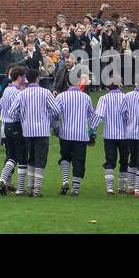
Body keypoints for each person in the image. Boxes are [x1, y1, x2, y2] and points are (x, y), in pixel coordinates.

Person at [12, 68, 59, 197]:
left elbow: (12, 112)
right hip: (42, 130)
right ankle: (37, 189)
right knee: (40, 159)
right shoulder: (46, 93)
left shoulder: (22, 93)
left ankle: (30, 186)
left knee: (31, 158)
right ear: (37, 78)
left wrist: (23, 117)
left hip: (27, 130)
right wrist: (48, 117)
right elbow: (56, 110)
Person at [55, 67, 101, 196]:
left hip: (65, 133)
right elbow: (93, 116)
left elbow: (54, 113)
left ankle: (65, 180)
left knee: (65, 157)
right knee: (79, 160)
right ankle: (75, 188)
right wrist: (93, 131)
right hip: (81, 134)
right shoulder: (85, 97)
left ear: (68, 83)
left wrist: (56, 126)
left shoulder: (61, 96)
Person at [0, 66, 27, 196]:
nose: (25, 79)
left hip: (6, 127)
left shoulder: (7, 90)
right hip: (16, 125)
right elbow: (18, 111)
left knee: (11, 156)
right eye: (24, 77)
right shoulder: (18, 93)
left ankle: (3, 179)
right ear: (19, 77)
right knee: (21, 157)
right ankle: (20, 188)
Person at [95, 78, 128, 195]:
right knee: (124, 161)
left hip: (109, 135)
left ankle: (109, 188)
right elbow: (128, 116)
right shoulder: (125, 98)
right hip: (125, 135)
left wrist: (92, 130)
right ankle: (121, 187)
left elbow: (99, 115)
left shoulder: (104, 99)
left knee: (109, 161)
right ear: (119, 85)